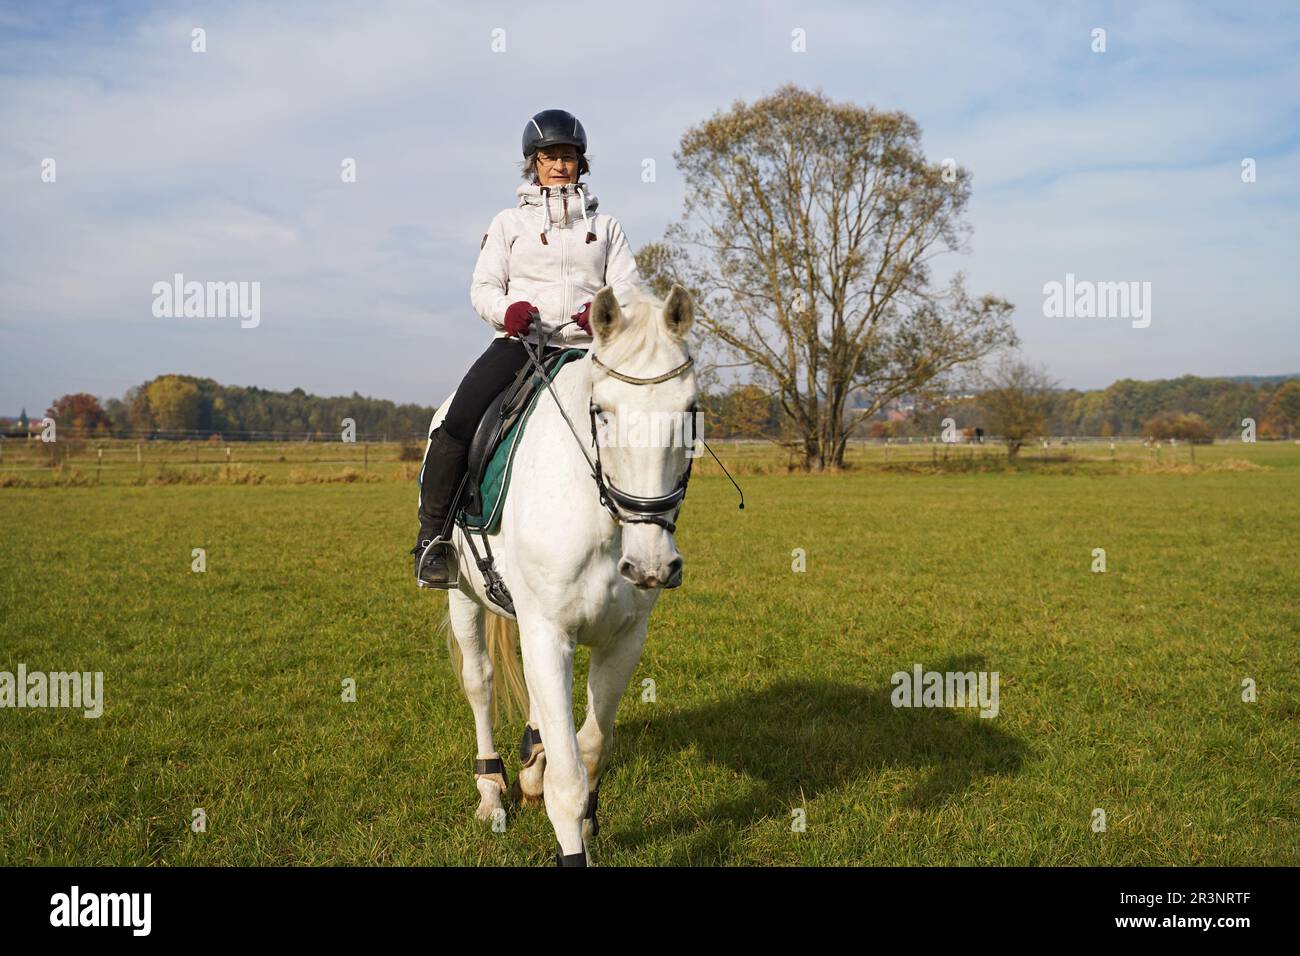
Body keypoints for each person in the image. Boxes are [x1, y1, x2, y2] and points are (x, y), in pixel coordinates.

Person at [413, 108, 643, 587]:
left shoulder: (608, 227)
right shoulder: (507, 224)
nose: (559, 165)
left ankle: (651, 533)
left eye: (568, 156)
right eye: (549, 156)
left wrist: (603, 312)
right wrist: (507, 310)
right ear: (533, 164)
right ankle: (433, 540)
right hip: (523, 343)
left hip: (587, 347)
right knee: (458, 421)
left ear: (581, 164)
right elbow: (482, 288)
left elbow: (629, 290)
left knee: (647, 417)